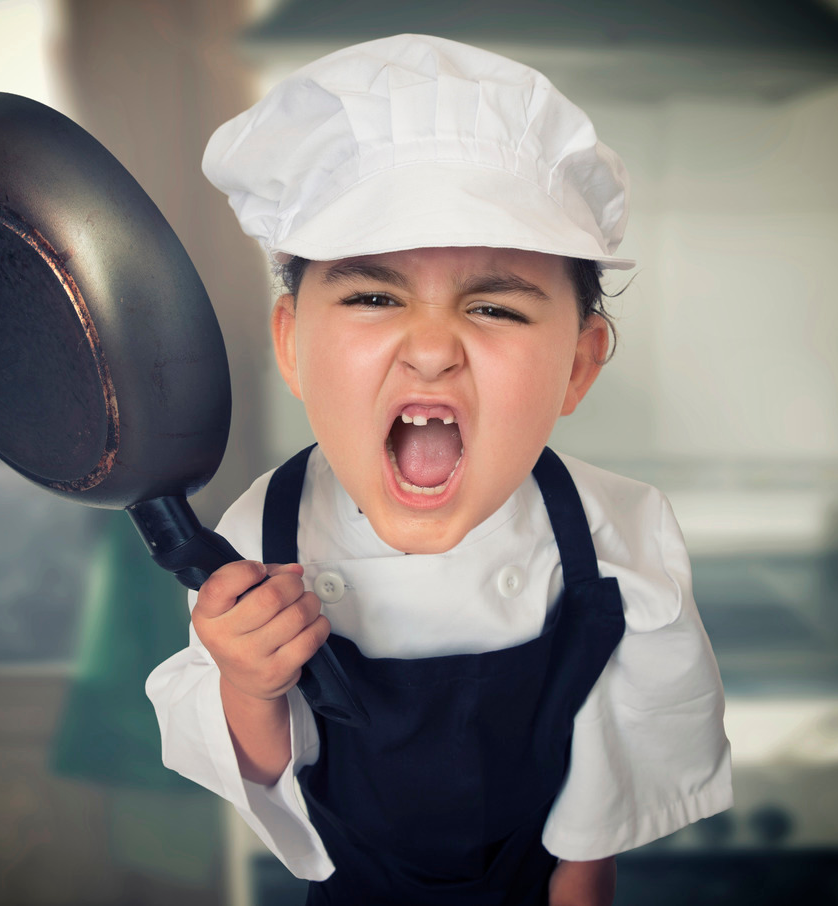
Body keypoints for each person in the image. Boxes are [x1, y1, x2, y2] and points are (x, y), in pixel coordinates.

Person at [146, 34, 732, 906]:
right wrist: (248, 681)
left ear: (578, 364)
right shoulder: (255, 536)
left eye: (494, 306)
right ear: (291, 345)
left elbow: (601, 806)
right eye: (373, 296)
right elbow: (264, 777)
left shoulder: (621, 535)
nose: (429, 350)